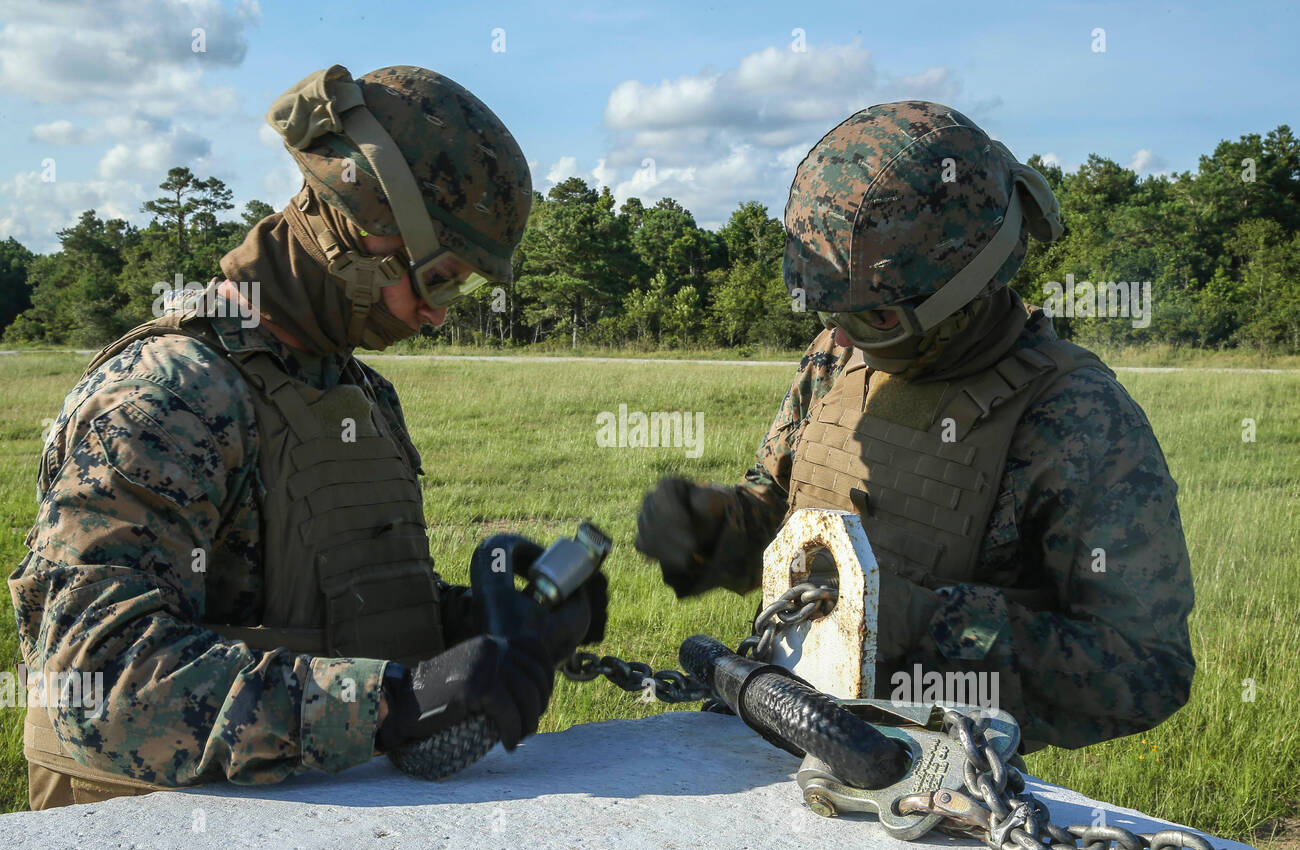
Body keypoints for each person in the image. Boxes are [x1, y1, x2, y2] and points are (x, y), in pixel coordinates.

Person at [10, 64, 604, 810]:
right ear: (366, 232)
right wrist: (387, 702)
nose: (436, 317)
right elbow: (94, 679)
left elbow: (319, 616)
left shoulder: (356, 391)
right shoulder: (169, 394)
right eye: (440, 280)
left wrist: (484, 625)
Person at [635, 101, 1195, 753]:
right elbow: (781, 521)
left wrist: (929, 625)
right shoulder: (838, 356)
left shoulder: (1076, 420)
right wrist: (710, 532)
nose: (843, 333)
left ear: (969, 285)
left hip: (936, 784)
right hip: (782, 725)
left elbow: (1145, 668)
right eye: (829, 309)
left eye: (876, 319)